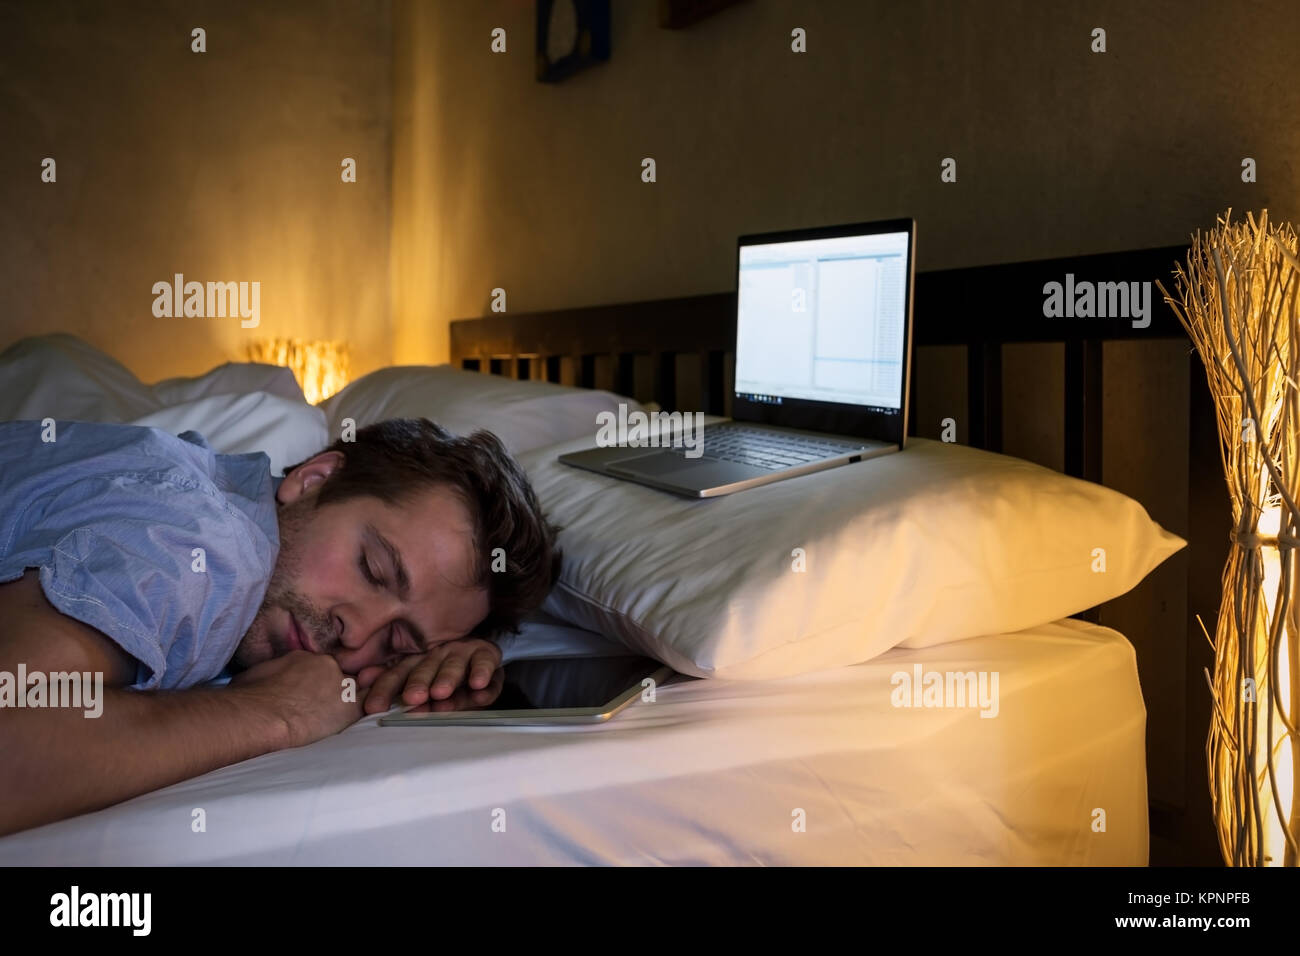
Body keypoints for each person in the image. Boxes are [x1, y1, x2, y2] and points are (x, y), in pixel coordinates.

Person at [0, 417, 561, 836]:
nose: (355, 635)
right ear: (314, 478)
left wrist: (433, 671)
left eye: (396, 643)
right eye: (373, 569)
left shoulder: (230, 499)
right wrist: (277, 713)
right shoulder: (203, 547)